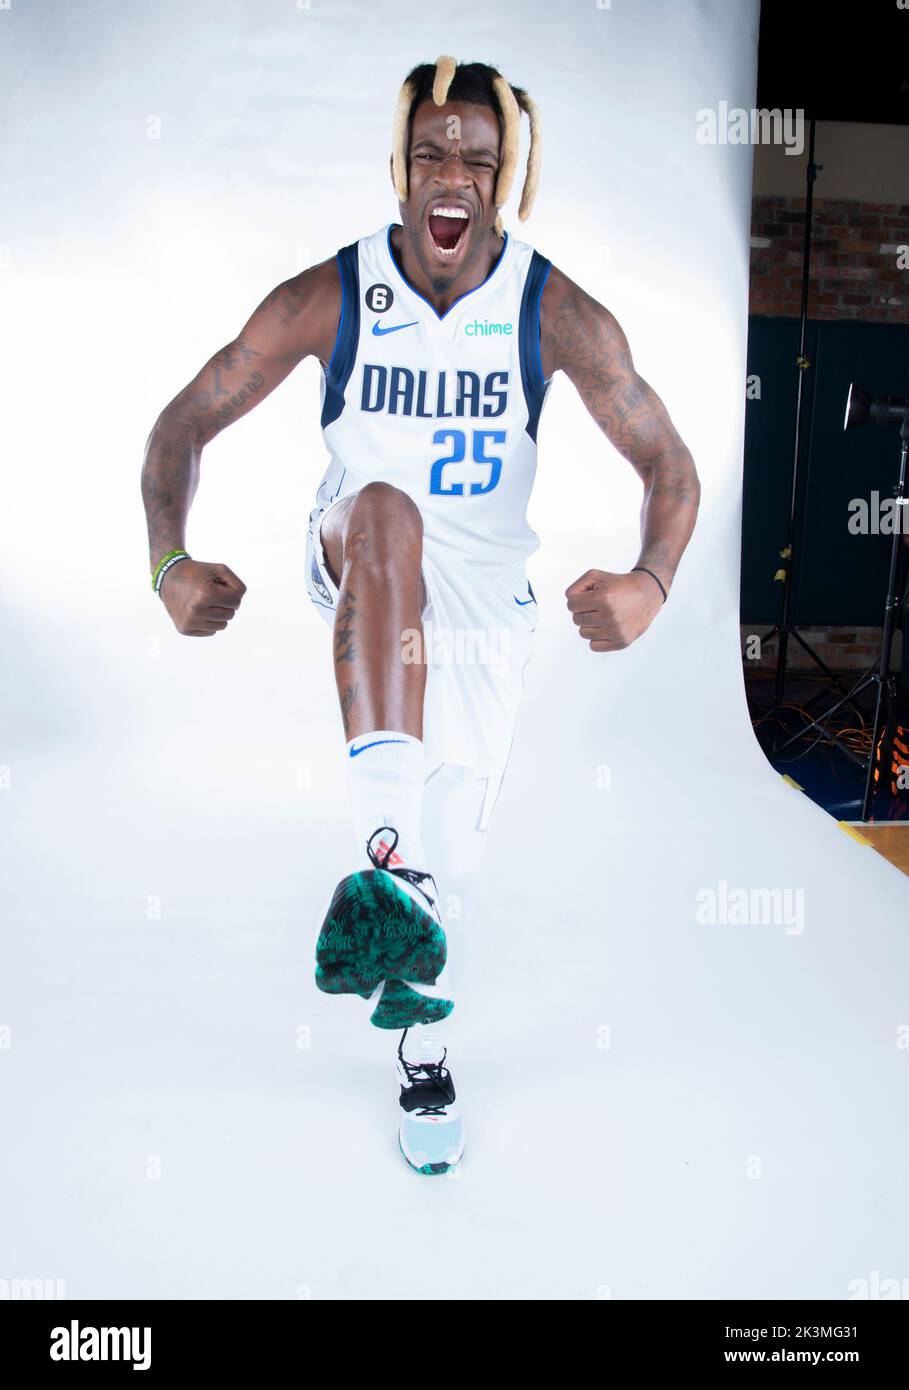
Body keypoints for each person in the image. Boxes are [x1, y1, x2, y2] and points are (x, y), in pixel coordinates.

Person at [141, 56, 700, 1176]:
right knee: (387, 510)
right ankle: (384, 846)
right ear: (402, 165)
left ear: (507, 182)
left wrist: (652, 581)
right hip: (363, 552)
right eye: (436, 154)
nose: (457, 178)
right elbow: (179, 426)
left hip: (489, 604)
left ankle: (418, 996)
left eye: (480, 162)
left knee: (451, 881)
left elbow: (667, 459)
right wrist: (168, 562)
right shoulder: (334, 295)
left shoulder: (553, 309)